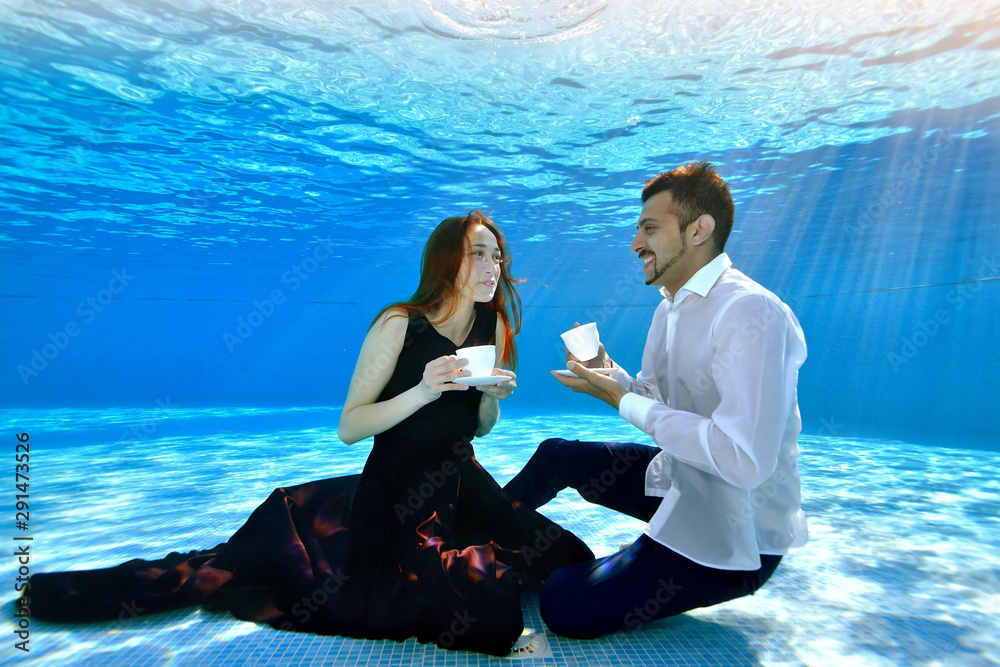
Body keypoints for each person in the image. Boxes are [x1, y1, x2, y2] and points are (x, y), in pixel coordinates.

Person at [23, 211, 594, 657]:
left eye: (497, 256)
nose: (492, 267)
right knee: (481, 611)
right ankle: (59, 594)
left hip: (463, 479)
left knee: (566, 555)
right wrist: (421, 390)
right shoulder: (399, 323)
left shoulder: (493, 323)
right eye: (478, 254)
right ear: (447, 260)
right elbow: (350, 428)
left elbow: (478, 427)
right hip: (396, 490)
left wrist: (490, 401)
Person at [503, 162, 808, 639]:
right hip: (681, 482)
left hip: (738, 534)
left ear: (698, 230)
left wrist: (623, 399)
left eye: (649, 227)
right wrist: (609, 375)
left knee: (562, 603)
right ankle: (472, 543)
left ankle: (593, 571)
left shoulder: (751, 311)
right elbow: (652, 398)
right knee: (553, 456)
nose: (635, 243)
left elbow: (745, 461)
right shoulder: (670, 308)